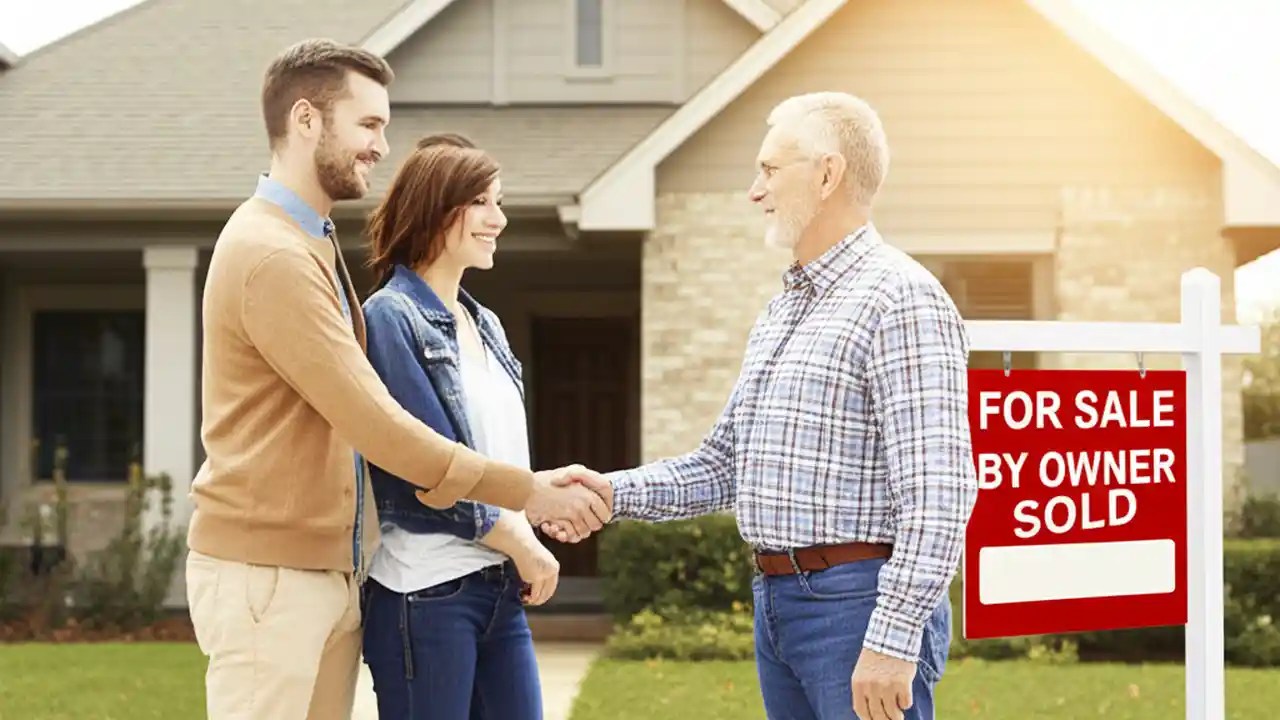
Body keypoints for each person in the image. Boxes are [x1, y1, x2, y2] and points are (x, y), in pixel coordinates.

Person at [184, 39, 606, 720]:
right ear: (306, 120)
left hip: (322, 574)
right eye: (369, 125)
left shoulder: (310, 242)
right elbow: (377, 425)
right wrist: (529, 493)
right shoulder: (272, 253)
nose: (382, 146)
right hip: (270, 577)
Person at [547, 92, 977, 720]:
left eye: (770, 170)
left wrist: (891, 638)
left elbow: (939, 491)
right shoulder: (783, 311)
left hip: (856, 608)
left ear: (827, 174)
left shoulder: (902, 299)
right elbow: (724, 464)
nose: (755, 191)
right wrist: (609, 494)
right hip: (779, 604)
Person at [356, 134, 557, 719]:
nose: (500, 218)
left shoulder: (483, 321)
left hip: (497, 588)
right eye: (484, 203)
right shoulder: (391, 319)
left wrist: (541, 509)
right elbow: (422, 474)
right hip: (428, 595)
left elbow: (497, 458)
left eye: (500, 202)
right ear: (439, 208)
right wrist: (522, 543)